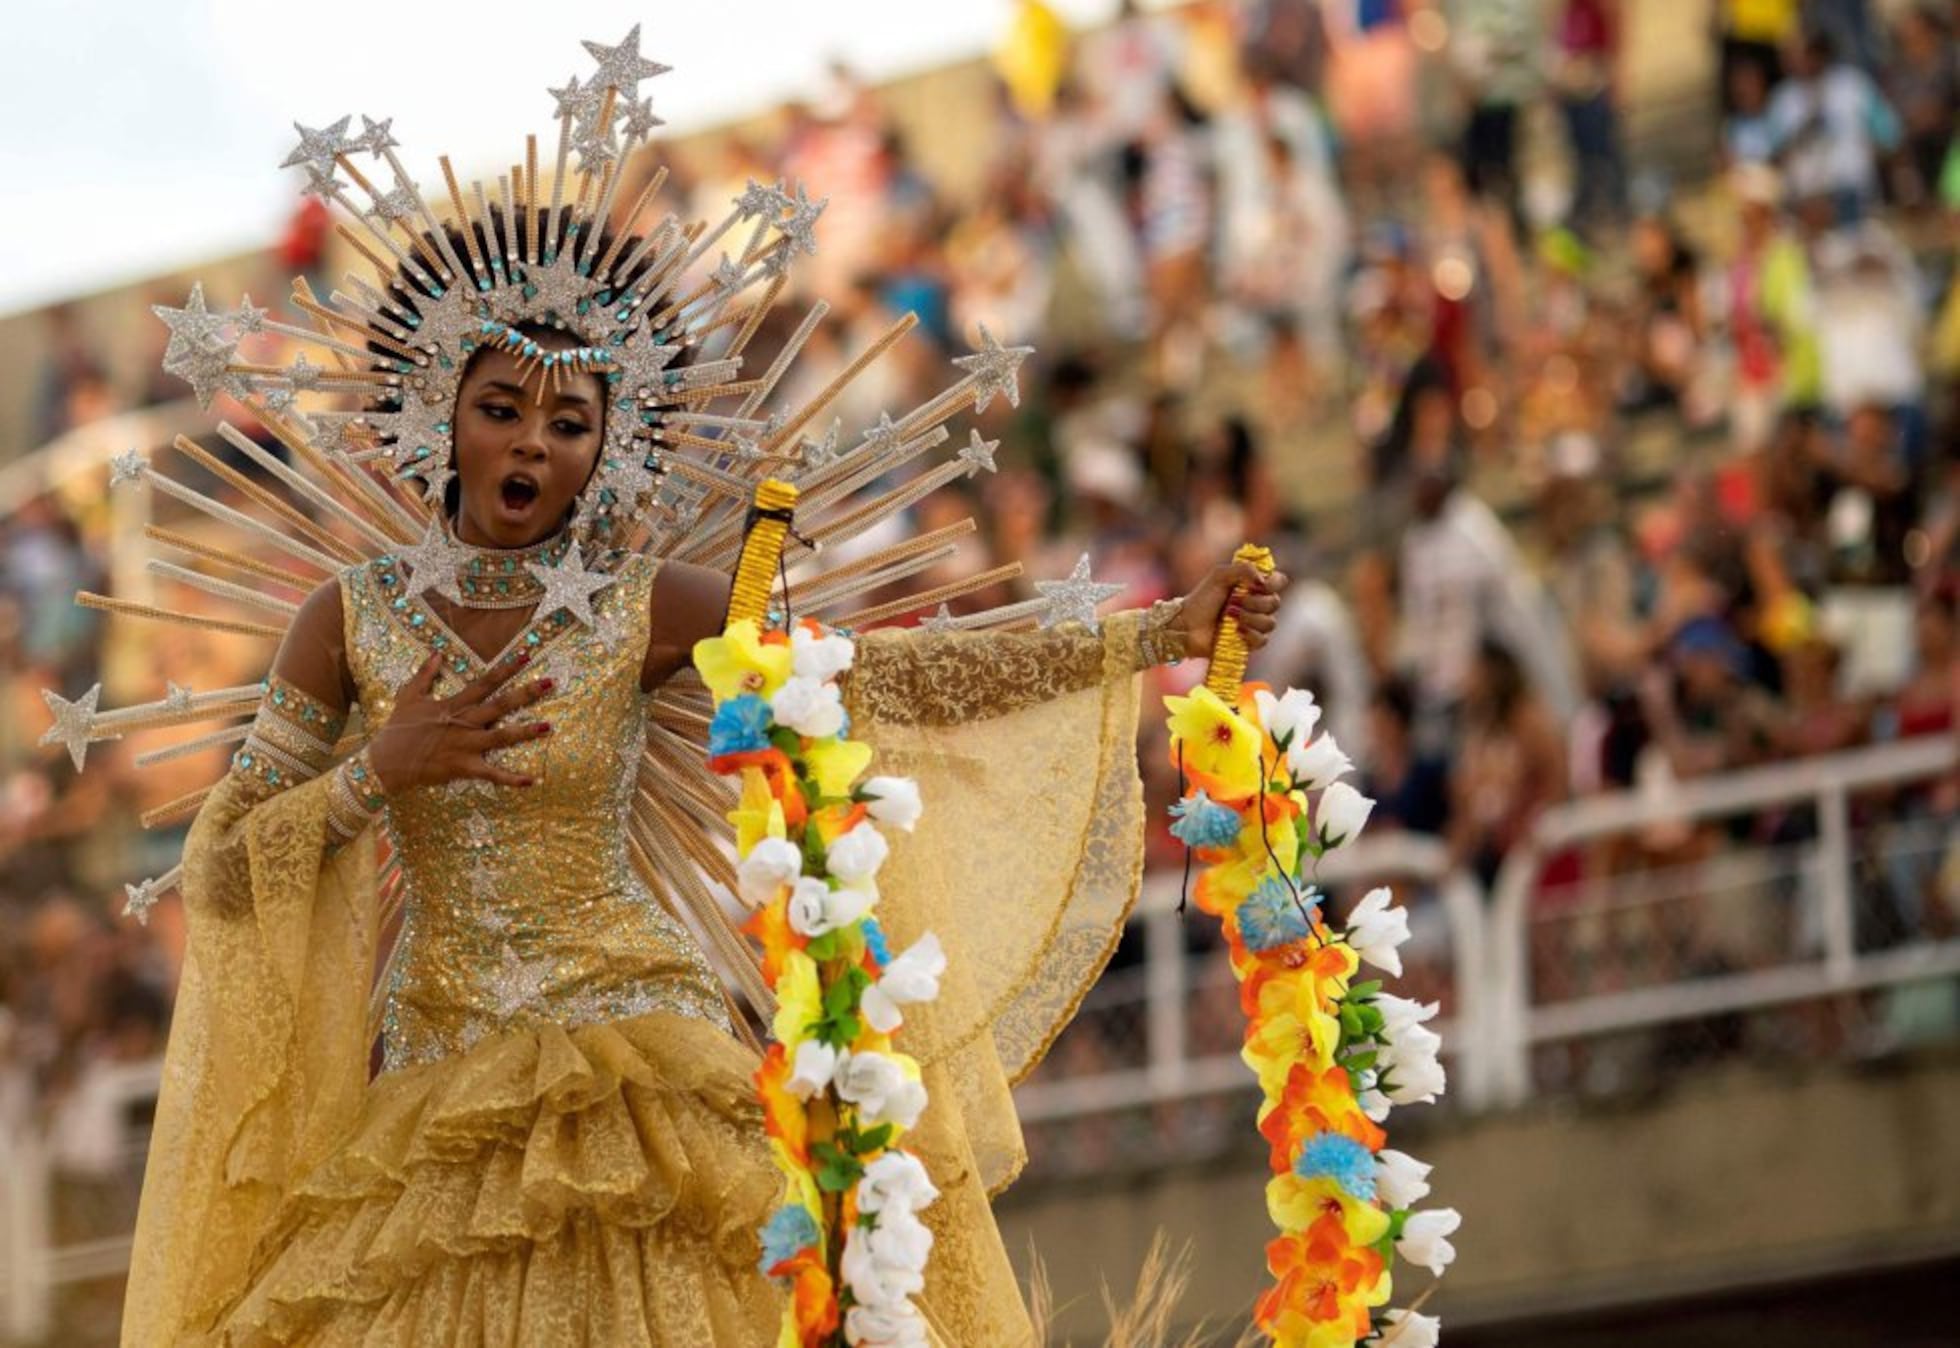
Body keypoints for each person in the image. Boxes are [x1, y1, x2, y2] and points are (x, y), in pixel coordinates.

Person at [113, 172, 1288, 1347]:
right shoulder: (344, 619)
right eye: (502, 407)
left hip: (647, 1066)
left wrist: (1151, 636)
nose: (532, 442)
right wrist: (379, 771)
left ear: (605, 453)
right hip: (439, 1082)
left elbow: (872, 678)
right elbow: (221, 869)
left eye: (569, 424)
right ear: (439, 412)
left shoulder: (641, 606)